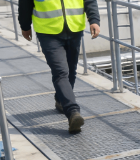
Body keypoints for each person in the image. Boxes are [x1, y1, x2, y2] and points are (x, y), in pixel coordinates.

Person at [19, 0, 100, 133]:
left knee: (71, 71)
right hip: (47, 32)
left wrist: (94, 20)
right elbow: (25, 3)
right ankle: (73, 112)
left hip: (74, 29)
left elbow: (89, 1)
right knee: (61, 72)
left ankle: (61, 101)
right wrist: (25, 25)